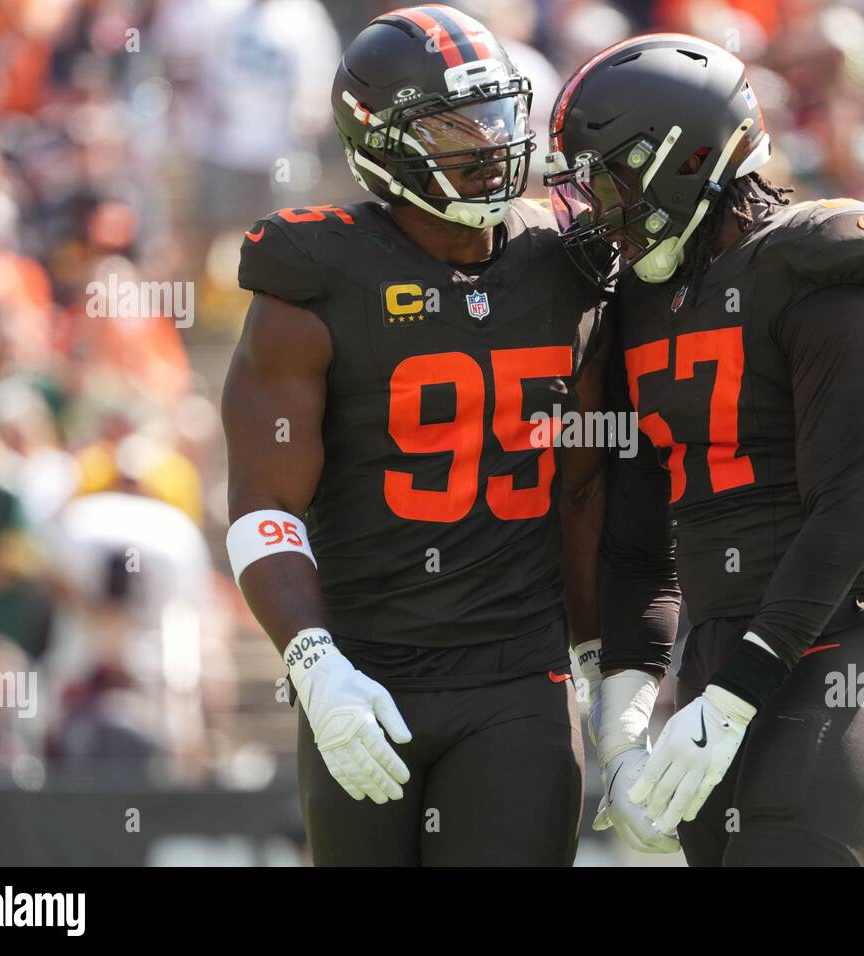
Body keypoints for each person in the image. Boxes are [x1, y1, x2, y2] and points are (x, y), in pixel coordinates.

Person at [222, 6, 605, 866]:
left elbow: (589, 488)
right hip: (365, 673)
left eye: (498, 112)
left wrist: (612, 668)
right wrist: (315, 665)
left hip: (517, 677)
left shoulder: (567, 263)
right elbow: (263, 504)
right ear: (379, 144)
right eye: (452, 124)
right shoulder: (314, 279)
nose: (490, 140)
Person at [547, 33, 864, 865]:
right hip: (716, 649)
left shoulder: (820, 264)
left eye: (607, 179)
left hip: (843, 642)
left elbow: (848, 510)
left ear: (680, 162)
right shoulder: (637, 305)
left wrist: (733, 699)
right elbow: (641, 544)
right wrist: (621, 724)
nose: (593, 208)